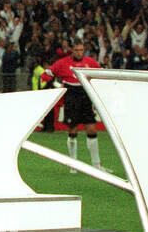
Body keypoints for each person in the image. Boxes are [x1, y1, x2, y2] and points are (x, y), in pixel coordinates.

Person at [42, 40, 103, 171]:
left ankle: (97, 165)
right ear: (72, 50)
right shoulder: (62, 63)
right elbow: (46, 75)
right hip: (71, 97)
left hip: (85, 96)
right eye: (77, 50)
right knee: (72, 130)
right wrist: (56, 87)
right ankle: (73, 165)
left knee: (92, 129)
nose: (80, 53)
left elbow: (101, 75)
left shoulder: (90, 62)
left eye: (82, 50)